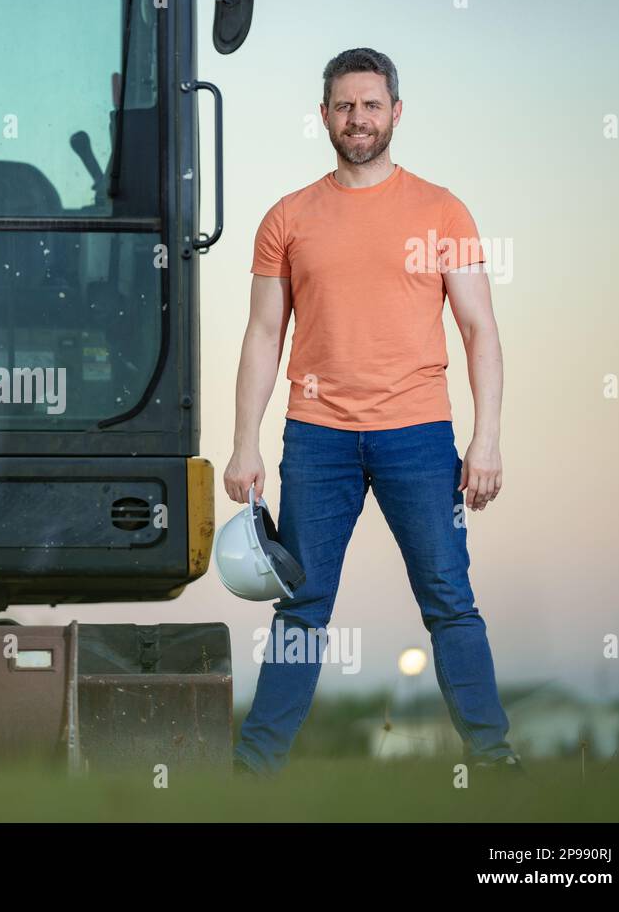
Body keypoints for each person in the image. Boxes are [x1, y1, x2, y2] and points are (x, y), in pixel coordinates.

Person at [225, 47, 522, 778]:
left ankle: (492, 761)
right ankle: (252, 774)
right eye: (344, 106)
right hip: (317, 438)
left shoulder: (441, 210)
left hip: (418, 436)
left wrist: (485, 441)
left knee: (450, 600)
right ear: (324, 115)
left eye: (371, 104)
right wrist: (244, 443)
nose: (358, 118)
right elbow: (266, 334)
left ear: (396, 111)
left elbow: (480, 328)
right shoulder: (287, 217)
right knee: (301, 609)